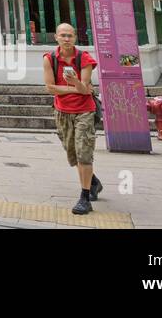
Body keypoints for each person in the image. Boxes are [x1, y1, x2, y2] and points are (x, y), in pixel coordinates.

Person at [42, 22, 102, 215]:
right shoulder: (50, 58)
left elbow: (85, 89)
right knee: (72, 153)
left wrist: (76, 82)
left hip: (84, 111)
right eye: (63, 35)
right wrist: (73, 88)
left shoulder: (83, 58)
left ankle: (85, 197)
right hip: (62, 111)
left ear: (75, 37)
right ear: (56, 37)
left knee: (83, 152)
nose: (66, 39)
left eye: (70, 35)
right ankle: (93, 182)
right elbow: (50, 88)